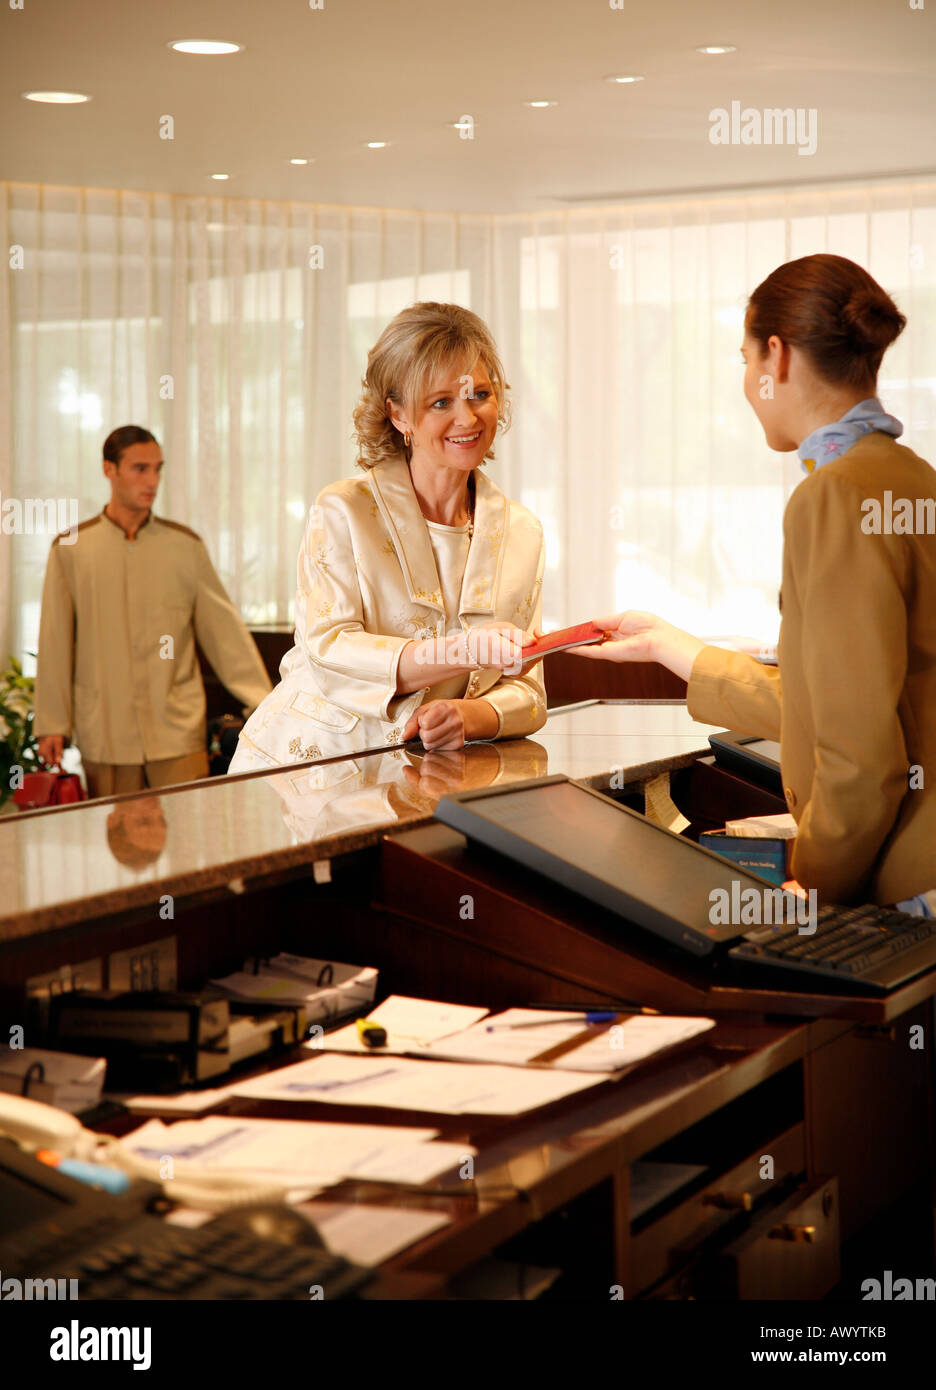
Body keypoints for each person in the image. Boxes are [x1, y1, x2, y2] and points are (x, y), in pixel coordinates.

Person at [573, 254, 936, 913]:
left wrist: (812, 890)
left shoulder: (832, 496)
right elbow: (841, 704)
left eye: (744, 359)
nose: (745, 381)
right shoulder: (910, 479)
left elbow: (860, 761)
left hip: (909, 885)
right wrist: (668, 645)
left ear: (779, 356)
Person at [229, 302, 547, 771]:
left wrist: (467, 715)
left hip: (422, 783)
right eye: (441, 402)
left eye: (480, 394)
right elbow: (329, 648)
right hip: (304, 773)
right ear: (398, 415)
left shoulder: (523, 532)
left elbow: (529, 692)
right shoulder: (343, 510)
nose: (468, 418)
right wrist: (463, 652)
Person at [34, 425, 272, 799]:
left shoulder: (184, 547)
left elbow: (225, 635)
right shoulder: (71, 549)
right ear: (109, 470)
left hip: (177, 732)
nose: (152, 480)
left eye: (158, 469)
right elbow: (55, 643)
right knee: (114, 847)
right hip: (106, 734)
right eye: (140, 469)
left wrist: (265, 705)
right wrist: (51, 724)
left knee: (188, 846)